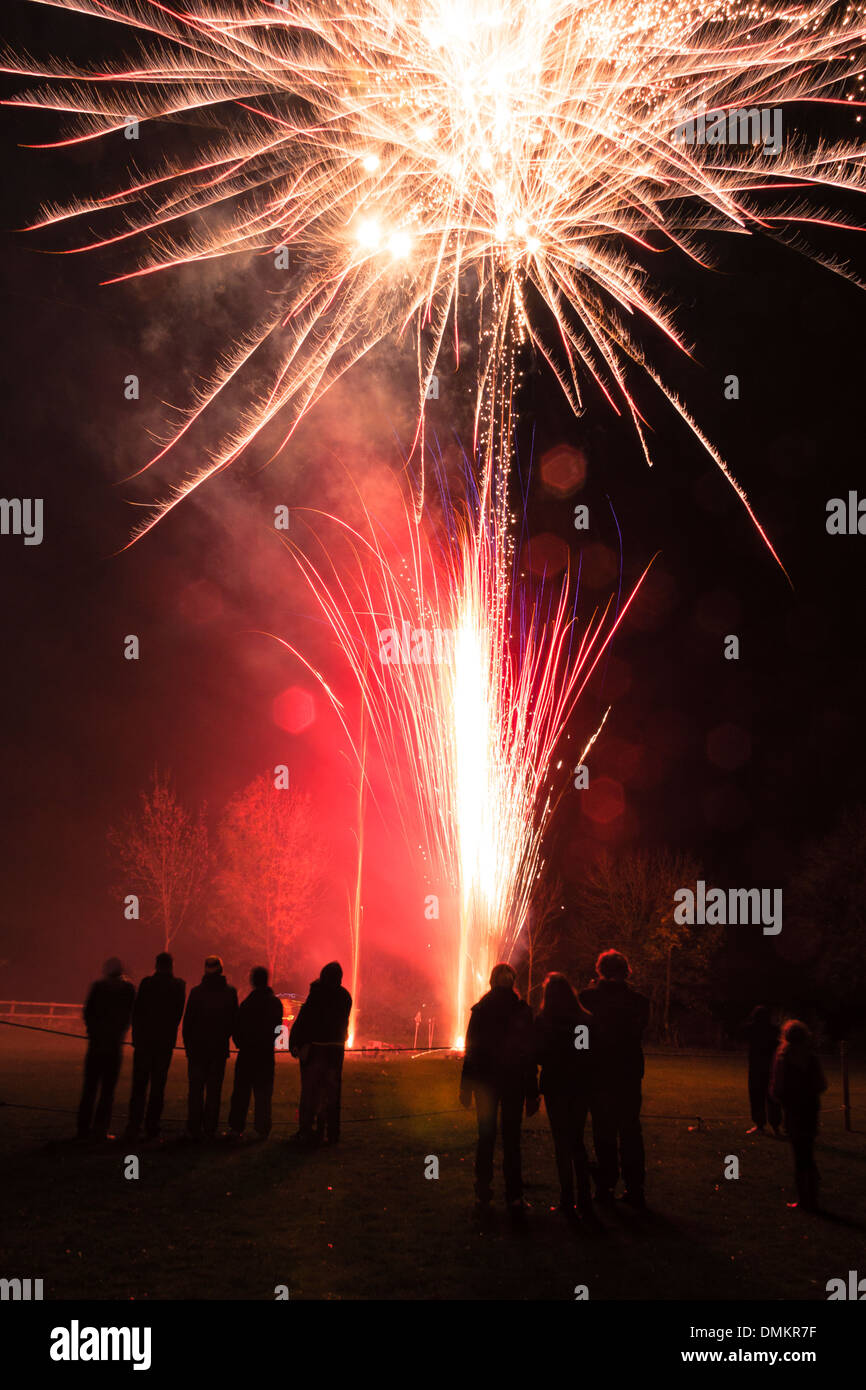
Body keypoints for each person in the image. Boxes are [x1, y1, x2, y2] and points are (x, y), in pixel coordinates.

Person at [459, 962, 539, 1217]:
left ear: (492, 982)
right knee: (512, 1139)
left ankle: (483, 1193)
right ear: (513, 982)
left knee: (486, 1137)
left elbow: (471, 1050)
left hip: (485, 1083)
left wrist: (466, 1087)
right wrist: (532, 1091)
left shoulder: (481, 1010)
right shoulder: (522, 1011)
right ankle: (514, 1196)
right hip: (513, 1082)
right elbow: (529, 1054)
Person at [579, 949, 650, 1211]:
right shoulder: (639, 1002)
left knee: (603, 1131)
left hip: (598, 1073)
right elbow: (637, 1034)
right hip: (628, 1073)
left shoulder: (587, 998)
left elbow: (581, 1036)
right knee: (630, 1130)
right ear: (626, 971)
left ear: (600, 970)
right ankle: (635, 1188)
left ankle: (606, 1185)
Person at [534, 972, 598, 1224]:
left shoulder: (544, 1021)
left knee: (561, 1143)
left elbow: (539, 1054)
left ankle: (566, 1198)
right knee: (577, 1140)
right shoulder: (583, 1021)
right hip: (578, 1086)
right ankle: (584, 1198)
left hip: (555, 1085)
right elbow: (585, 1052)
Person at [124, 951, 185, 1143]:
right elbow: (176, 1014)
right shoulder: (177, 986)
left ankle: (134, 1124)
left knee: (139, 1085)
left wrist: (137, 1035)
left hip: (145, 1041)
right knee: (158, 1086)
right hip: (163, 1042)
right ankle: (152, 1126)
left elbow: (138, 1011)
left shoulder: (147, 984)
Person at [289, 961, 352, 1145]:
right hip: (336, 1050)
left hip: (316, 1049)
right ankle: (330, 1133)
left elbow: (305, 1021)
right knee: (331, 1094)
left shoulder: (317, 995)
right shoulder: (345, 996)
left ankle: (306, 1131)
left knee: (310, 1093)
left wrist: (297, 1043)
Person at [770, 1019, 827, 1212]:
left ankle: (805, 1199)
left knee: (801, 1155)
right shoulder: (811, 1057)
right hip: (810, 1109)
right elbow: (822, 1084)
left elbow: (777, 1090)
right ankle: (812, 1196)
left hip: (794, 1110)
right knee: (807, 1153)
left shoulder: (784, 1058)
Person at [76, 957, 135, 1141]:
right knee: (107, 1091)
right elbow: (129, 1014)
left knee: (89, 1088)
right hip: (113, 1044)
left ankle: (83, 1128)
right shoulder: (127, 989)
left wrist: (93, 1031)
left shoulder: (98, 987)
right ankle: (100, 1129)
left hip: (96, 1044)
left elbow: (88, 1012)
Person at [181, 956, 239, 1140]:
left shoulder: (196, 992)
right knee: (214, 1091)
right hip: (218, 1049)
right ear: (221, 970)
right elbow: (233, 1021)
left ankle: (194, 1127)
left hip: (197, 1049)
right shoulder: (229, 993)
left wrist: (189, 1046)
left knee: (195, 1090)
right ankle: (210, 1128)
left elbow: (188, 1023)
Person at [228, 966, 284, 1140]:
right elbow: (277, 1029)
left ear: (253, 981)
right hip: (265, 1054)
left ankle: (237, 1127)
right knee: (263, 1095)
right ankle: (262, 1129)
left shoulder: (247, 1003)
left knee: (241, 1093)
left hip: (247, 1054)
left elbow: (236, 1027)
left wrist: (242, 1043)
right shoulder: (275, 1003)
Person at [745, 1004, 782, 1136]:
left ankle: (760, 1124)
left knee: (756, 1096)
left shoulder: (751, 1029)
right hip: (770, 1067)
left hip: (756, 1068)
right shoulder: (774, 1031)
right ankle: (776, 1125)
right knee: (772, 1097)